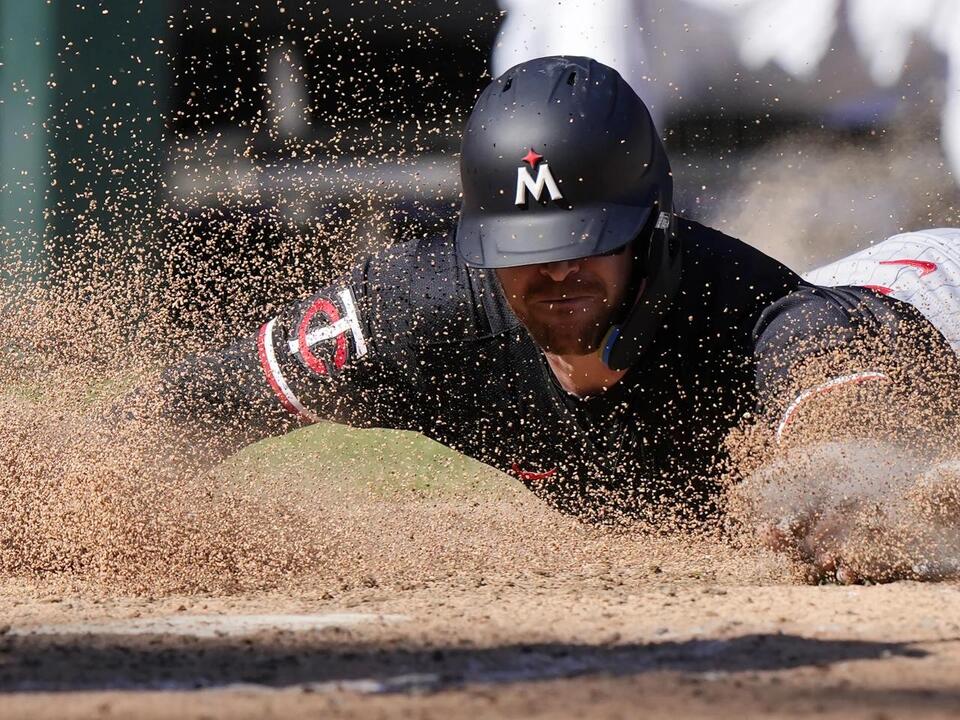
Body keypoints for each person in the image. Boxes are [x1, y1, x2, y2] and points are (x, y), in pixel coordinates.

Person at [150, 56, 957, 530]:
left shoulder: (764, 320)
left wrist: (852, 496)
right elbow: (193, 406)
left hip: (931, 304)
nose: (560, 272)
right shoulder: (411, 313)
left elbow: (849, 430)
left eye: (589, 241)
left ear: (648, 224)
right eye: (526, 251)